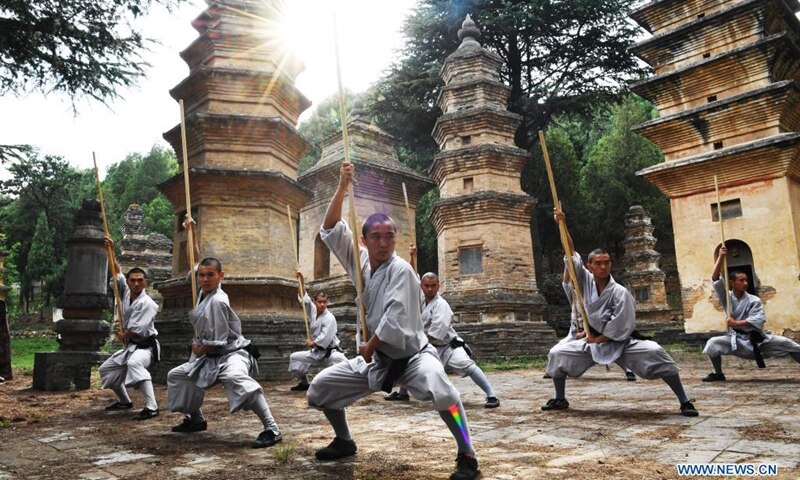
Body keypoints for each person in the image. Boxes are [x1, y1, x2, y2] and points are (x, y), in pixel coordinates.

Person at [306, 163, 480, 480]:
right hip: (377, 360)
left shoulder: (402, 270)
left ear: (395, 239)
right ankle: (344, 441)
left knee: (443, 390)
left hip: (412, 357)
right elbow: (330, 228)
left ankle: (466, 451)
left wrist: (369, 345)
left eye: (390, 236)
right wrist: (343, 187)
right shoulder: (358, 260)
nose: (384, 242)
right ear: (365, 239)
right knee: (320, 389)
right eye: (376, 237)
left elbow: (394, 319)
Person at [542, 212, 698, 417]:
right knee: (557, 353)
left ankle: (684, 400)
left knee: (655, 352)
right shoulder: (584, 282)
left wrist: (598, 338)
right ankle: (560, 398)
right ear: (590, 266)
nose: (603, 266)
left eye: (607, 262)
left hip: (617, 342)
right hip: (589, 341)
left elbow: (622, 326)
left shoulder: (619, 292)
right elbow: (571, 254)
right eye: (598, 263)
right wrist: (563, 225)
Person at [166, 217, 282, 448]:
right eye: (202, 275)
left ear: (221, 276)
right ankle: (196, 419)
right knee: (177, 376)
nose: (205, 279)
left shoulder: (218, 300)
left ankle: (272, 429)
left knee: (235, 378)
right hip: (209, 355)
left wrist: (199, 348)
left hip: (231, 353)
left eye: (211, 275)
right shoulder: (201, 291)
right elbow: (197, 261)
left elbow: (218, 342)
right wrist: (192, 232)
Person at [385, 270, 500, 409]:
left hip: (447, 346)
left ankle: (491, 395)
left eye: (433, 285)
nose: (429, 289)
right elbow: (412, 278)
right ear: (422, 286)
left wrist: (413, 339)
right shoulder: (420, 299)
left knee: (467, 365)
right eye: (426, 285)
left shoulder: (441, 305)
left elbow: (435, 334)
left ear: (438, 286)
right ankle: (403, 393)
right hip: (427, 346)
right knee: (409, 364)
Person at [702, 246, 800, 381]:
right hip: (735, 339)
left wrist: (735, 323)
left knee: (792, 346)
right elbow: (715, 278)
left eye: (746, 280)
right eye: (741, 280)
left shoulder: (754, 300)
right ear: (731, 282)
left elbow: (758, 319)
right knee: (713, 343)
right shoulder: (727, 298)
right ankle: (718, 373)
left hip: (758, 340)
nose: (745, 283)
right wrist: (720, 257)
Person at [98, 236, 160, 420]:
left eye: (140, 280)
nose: (135, 283)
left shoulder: (148, 303)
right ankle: (125, 401)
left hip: (146, 347)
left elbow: (138, 330)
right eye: (133, 280)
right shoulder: (124, 292)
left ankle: (152, 406)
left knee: (135, 363)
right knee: (107, 369)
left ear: (145, 282)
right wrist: (111, 250)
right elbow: (117, 274)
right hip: (130, 346)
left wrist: (124, 334)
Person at [543, 265, 637, 382]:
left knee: (612, 348)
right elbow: (566, 281)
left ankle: (629, 370)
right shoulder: (573, 292)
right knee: (556, 350)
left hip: (596, 332)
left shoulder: (596, 295)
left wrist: (587, 333)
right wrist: (568, 262)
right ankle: (553, 370)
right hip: (575, 333)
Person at [288, 277, 347, 391]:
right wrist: (301, 281)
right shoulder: (313, 310)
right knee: (295, 357)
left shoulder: (329, 318)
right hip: (316, 353)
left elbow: (325, 338)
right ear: (315, 302)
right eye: (320, 302)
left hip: (329, 353)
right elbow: (305, 299)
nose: (322, 304)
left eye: (324, 302)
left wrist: (313, 343)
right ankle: (305, 383)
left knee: (343, 362)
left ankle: (348, 384)